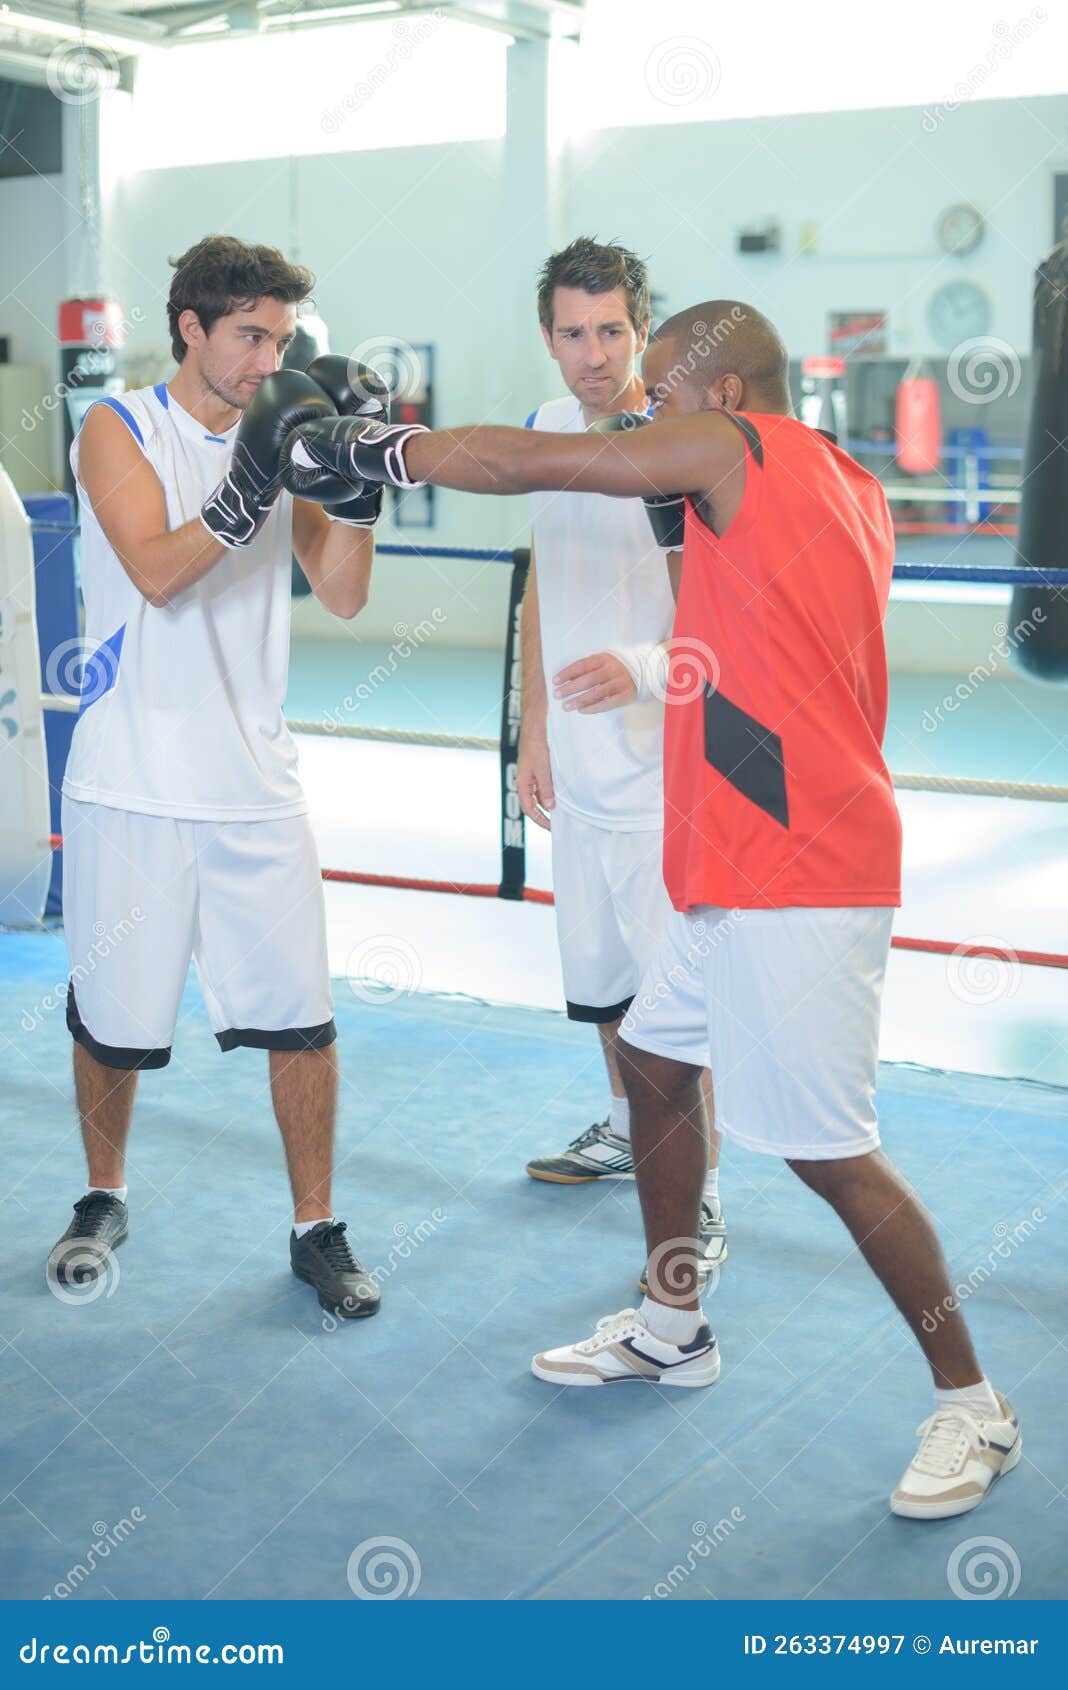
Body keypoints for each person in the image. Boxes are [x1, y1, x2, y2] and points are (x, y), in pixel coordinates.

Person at [281, 298, 1020, 1516]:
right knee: (658, 1068)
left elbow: (528, 463)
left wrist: (375, 451)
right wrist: (644, 665)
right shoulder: (847, 483)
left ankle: (972, 1405)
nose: (645, 413)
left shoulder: (732, 450)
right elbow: (744, 653)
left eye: (661, 396)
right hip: (739, 854)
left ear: (722, 398)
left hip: (799, 868)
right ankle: (673, 1322)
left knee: (830, 1152)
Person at [49, 235, 383, 1321]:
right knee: (112, 1018)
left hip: (253, 784)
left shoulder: (283, 431)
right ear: (190, 327)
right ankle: (103, 1192)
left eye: (281, 339)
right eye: (249, 334)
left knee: (304, 1021)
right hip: (130, 781)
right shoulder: (116, 427)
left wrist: (361, 487)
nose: (265, 359)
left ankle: (314, 1226)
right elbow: (152, 568)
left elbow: (341, 595)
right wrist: (252, 487)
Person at [518, 237, 725, 1285]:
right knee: (601, 988)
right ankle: (618, 1128)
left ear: (643, 329)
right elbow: (542, 580)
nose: (592, 355)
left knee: (670, 996)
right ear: (548, 336)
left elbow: (726, 609)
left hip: (660, 770)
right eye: (572, 332)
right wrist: (533, 726)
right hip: (580, 763)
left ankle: (703, 1189)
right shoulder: (545, 430)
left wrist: (646, 669)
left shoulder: (686, 439)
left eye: (611, 330)